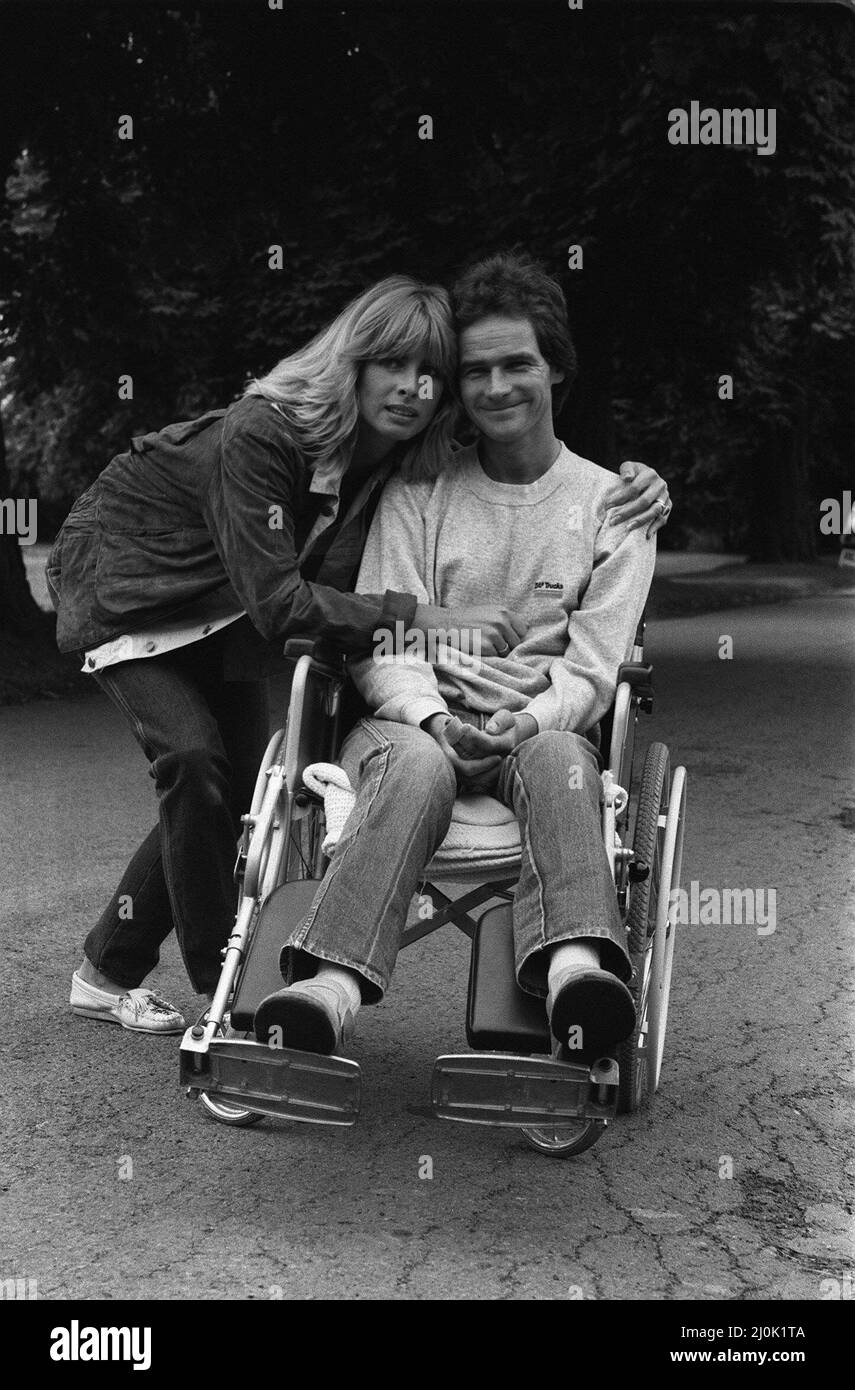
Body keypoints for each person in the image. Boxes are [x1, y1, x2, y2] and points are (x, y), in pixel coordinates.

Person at [47, 271, 670, 1035]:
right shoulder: (271, 437)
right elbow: (290, 609)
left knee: (232, 790)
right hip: (133, 587)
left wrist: (645, 484)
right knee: (198, 766)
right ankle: (235, 994)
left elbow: (582, 639)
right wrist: (435, 657)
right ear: (354, 363)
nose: (415, 388)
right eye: (401, 366)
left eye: (431, 374)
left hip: (224, 609)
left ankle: (107, 968)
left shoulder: (397, 458)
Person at [254, 251, 663, 1062]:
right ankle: (325, 991)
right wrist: (432, 716)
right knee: (412, 762)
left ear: (555, 370)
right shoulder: (418, 491)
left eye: (518, 364)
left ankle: (578, 972)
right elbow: (385, 638)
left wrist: (524, 721)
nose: (496, 387)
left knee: (558, 760)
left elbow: (591, 667)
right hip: (413, 723)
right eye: (475, 371)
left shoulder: (614, 507)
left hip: (539, 728)